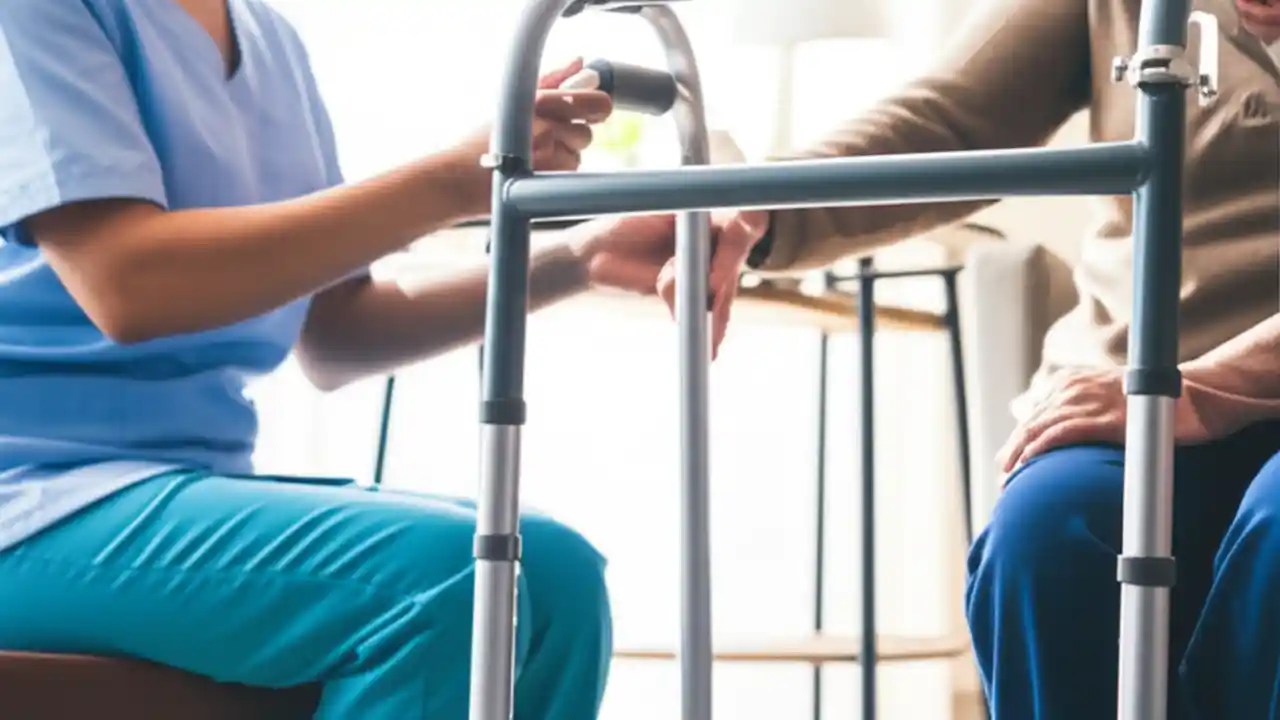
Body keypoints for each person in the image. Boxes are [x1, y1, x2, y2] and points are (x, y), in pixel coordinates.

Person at [0, 1, 708, 718]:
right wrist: (452, 179)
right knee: (449, 585)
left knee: (556, 578)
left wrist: (578, 258)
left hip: (166, 488)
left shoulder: (269, 40)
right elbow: (127, 283)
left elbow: (336, 331)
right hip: (27, 503)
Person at [618, 0, 1279, 716]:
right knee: (1046, 539)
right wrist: (758, 206)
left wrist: (1211, 389)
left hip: (1197, 392)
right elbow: (950, 121)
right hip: (1131, 391)